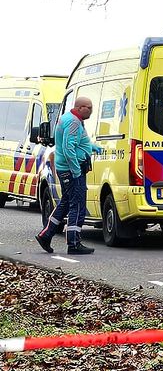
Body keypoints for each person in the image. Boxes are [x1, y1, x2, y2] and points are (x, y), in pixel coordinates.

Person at [36, 96, 102, 255]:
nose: (91, 111)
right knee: (77, 204)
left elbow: (75, 142)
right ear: (80, 108)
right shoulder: (73, 122)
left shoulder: (68, 118)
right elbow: (68, 148)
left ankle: (46, 235)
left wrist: (90, 147)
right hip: (72, 169)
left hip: (66, 168)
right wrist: (76, 171)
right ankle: (73, 243)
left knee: (66, 202)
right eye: (89, 107)